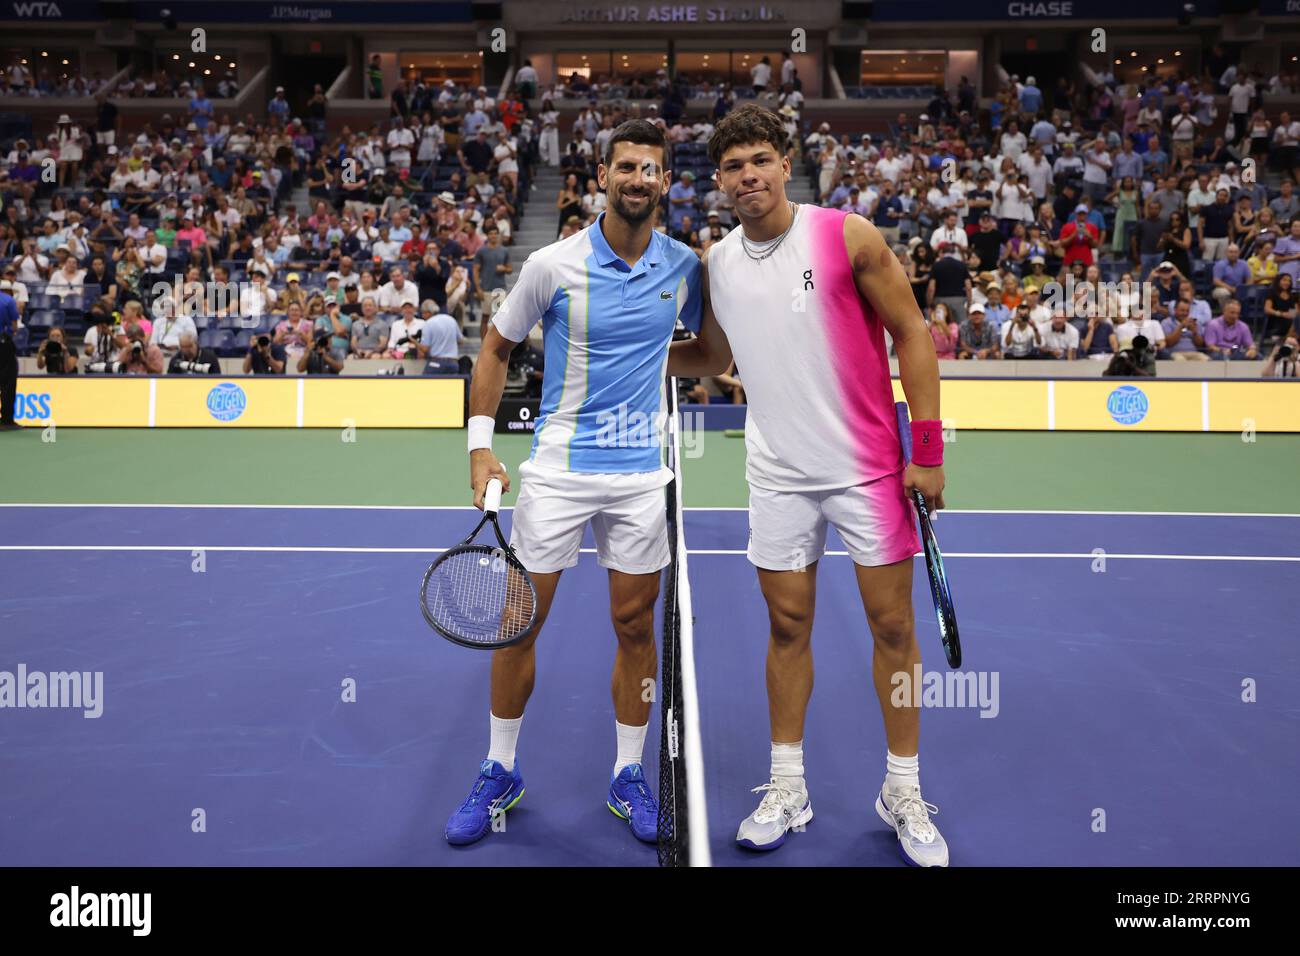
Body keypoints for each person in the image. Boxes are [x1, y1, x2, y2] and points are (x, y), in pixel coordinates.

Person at [668, 103, 950, 865]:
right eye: (732, 167)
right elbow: (710, 355)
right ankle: (787, 785)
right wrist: (629, 355)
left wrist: (927, 449)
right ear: (719, 182)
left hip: (868, 472)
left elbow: (914, 333)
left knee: (892, 629)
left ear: (784, 163)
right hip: (777, 476)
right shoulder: (716, 264)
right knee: (787, 627)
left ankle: (902, 787)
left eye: (759, 159)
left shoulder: (846, 235)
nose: (748, 176)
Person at [449, 119, 703, 850]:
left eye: (649, 169)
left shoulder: (684, 267)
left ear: (664, 182)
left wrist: (666, 354)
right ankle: (500, 767)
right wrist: (478, 451)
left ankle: (628, 775)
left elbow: (710, 344)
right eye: (625, 167)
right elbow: (495, 347)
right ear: (604, 176)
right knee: (518, 620)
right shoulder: (552, 265)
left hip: (638, 476)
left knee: (634, 627)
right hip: (558, 470)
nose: (636, 179)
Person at [0, 285, 20, 429]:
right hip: (3, 345)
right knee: (8, 382)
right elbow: (14, 327)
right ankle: (7, 420)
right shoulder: (8, 301)